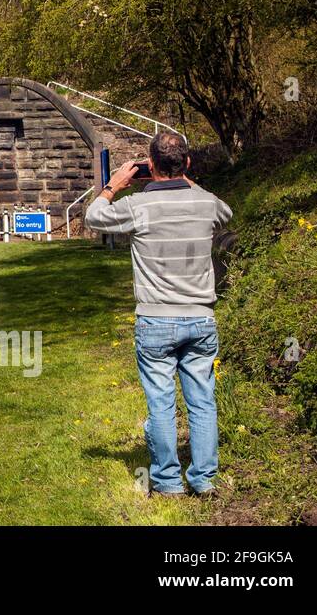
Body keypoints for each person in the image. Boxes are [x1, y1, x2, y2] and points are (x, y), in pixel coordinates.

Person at [84, 132, 233, 498]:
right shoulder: (206, 203)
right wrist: (184, 180)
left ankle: (167, 481)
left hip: (156, 319)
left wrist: (114, 184)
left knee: (161, 402)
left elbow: (94, 217)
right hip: (200, 317)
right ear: (188, 164)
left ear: (149, 167)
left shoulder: (137, 206)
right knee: (202, 400)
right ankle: (204, 478)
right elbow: (225, 213)